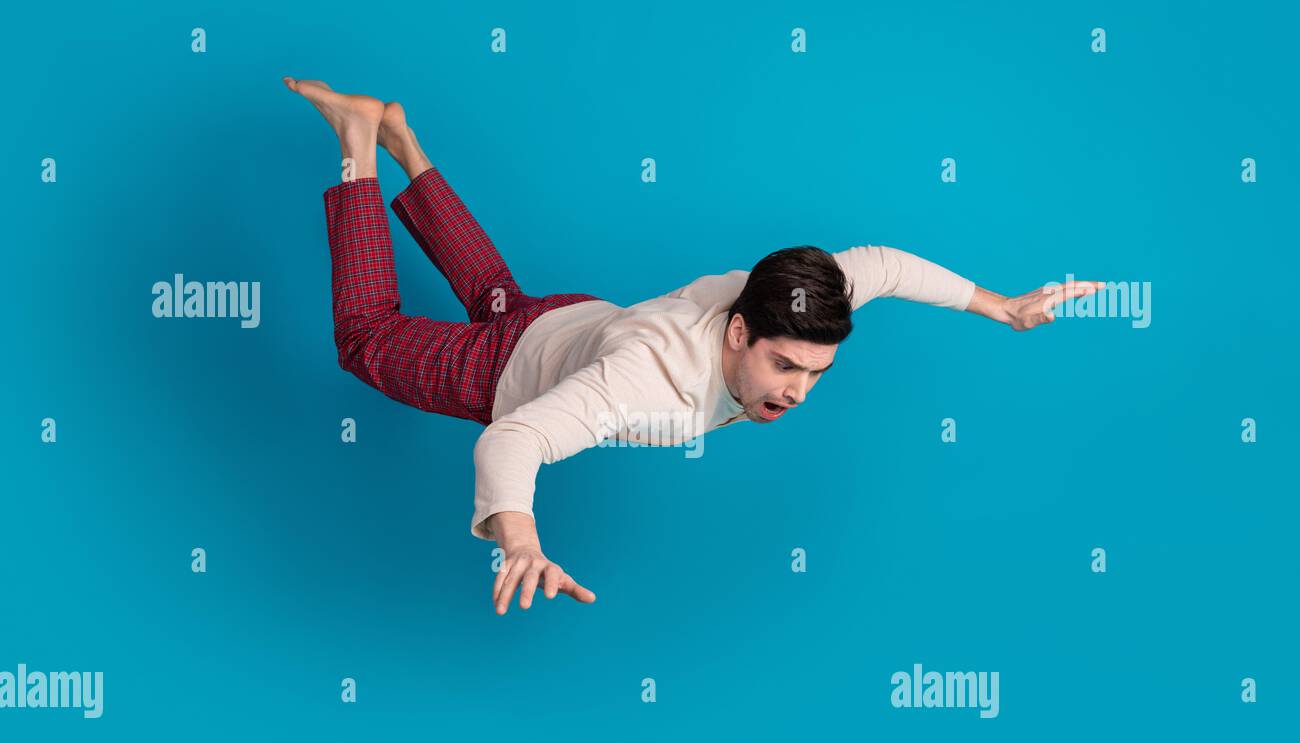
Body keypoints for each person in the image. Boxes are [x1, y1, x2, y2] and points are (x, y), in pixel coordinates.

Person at [283, 77, 1103, 616]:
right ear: (739, 331)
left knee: (500, 297)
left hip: (573, 324)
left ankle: (405, 142)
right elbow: (515, 436)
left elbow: (882, 265)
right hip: (518, 367)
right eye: (785, 366)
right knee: (367, 339)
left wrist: (1003, 308)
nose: (796, 393)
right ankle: (362, 145)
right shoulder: (648, 391)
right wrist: (521, 542)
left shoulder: (790, 294)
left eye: (817, 373)